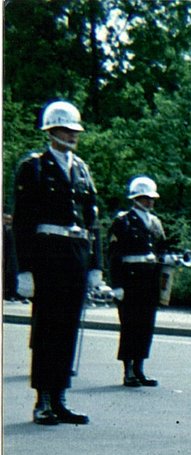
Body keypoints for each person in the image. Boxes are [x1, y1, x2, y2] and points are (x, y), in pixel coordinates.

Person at [12, 100, 101, 425]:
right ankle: (43, 400)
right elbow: (22, 225)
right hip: (48, 257)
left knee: (68, 328)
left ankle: (61, 396)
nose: (72, 135)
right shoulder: (33, 167)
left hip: (76, 255)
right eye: (65, 130)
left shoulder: (82, 170)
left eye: (74, 130)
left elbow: (93, 222)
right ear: (51, 132)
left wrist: (96, 266)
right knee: (48, 328)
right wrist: (23, 270)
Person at [107, 176, 166, 388]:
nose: (150, 201)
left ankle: (140, 368)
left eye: (151, 198)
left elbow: (160, 250)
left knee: (145, 325)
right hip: (130, 280)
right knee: (130, 325)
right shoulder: (123, 221)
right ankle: (128, 370)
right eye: (145, 197)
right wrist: (117, 285)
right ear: (136, 198)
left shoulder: (155, 222)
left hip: (149, 279)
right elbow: (114, 255)